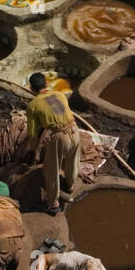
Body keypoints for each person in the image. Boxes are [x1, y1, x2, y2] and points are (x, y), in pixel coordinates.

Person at [27, 72, 82, 215]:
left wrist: (32, 151)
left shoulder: (33, 105)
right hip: (75, 131)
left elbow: (32, 134)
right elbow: (57, 113)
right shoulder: (59, 95)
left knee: (51, 169)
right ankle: (69, 185)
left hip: (59, 137)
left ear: (32, 89)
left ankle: (52, 204)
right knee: (72, 160)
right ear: (46, 84)